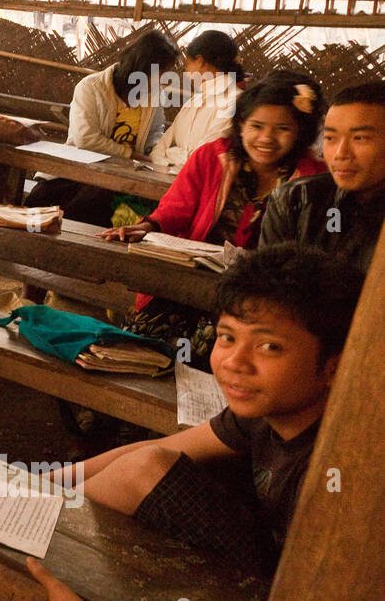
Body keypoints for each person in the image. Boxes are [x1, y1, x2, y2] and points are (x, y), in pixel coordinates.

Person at [18, 245, 363, 601]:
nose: (235, 362)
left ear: (334, 366)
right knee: (143, 465)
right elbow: (161, 448)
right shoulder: (267, 409)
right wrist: (31, 486)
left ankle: (37, 572)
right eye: (226, 337)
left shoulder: (346, 467)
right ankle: (33, 549)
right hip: (270, 560)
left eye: (269, 347)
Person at [101, 71, 327, 366]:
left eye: (282, 128)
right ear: (241, 125)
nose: (266, 138)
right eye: (256, 126)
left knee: (207, 360)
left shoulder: (314, 179)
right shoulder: (212, 157)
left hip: (261, 302)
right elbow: (175, 209)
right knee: (136, 350)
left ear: (301, 132)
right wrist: (147, 226)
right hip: (191, 282)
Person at [26, 30, 179, 226]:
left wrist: (158, 156)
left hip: (120, 179)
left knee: (91, 208)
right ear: (144, 67)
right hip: (75, 171)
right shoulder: (91, 87)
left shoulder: (153, 96)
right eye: (162, 72)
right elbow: (86, 139)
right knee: (41, 203)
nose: (163, 79)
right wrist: (133, 155)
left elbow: (154, 134)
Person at [260, 80, 385, 274]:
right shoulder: (295, 199)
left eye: (360, 138)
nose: (340, 153)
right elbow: (265, 287)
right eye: (330, 138)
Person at [147, 30, 243, 170]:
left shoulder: (235, 100)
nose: (185, 71)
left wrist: (169, 154)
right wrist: (172, 157)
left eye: (187, 65)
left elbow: (201, 158)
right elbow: (158, 150)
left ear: (200, 61)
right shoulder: (194, 101)